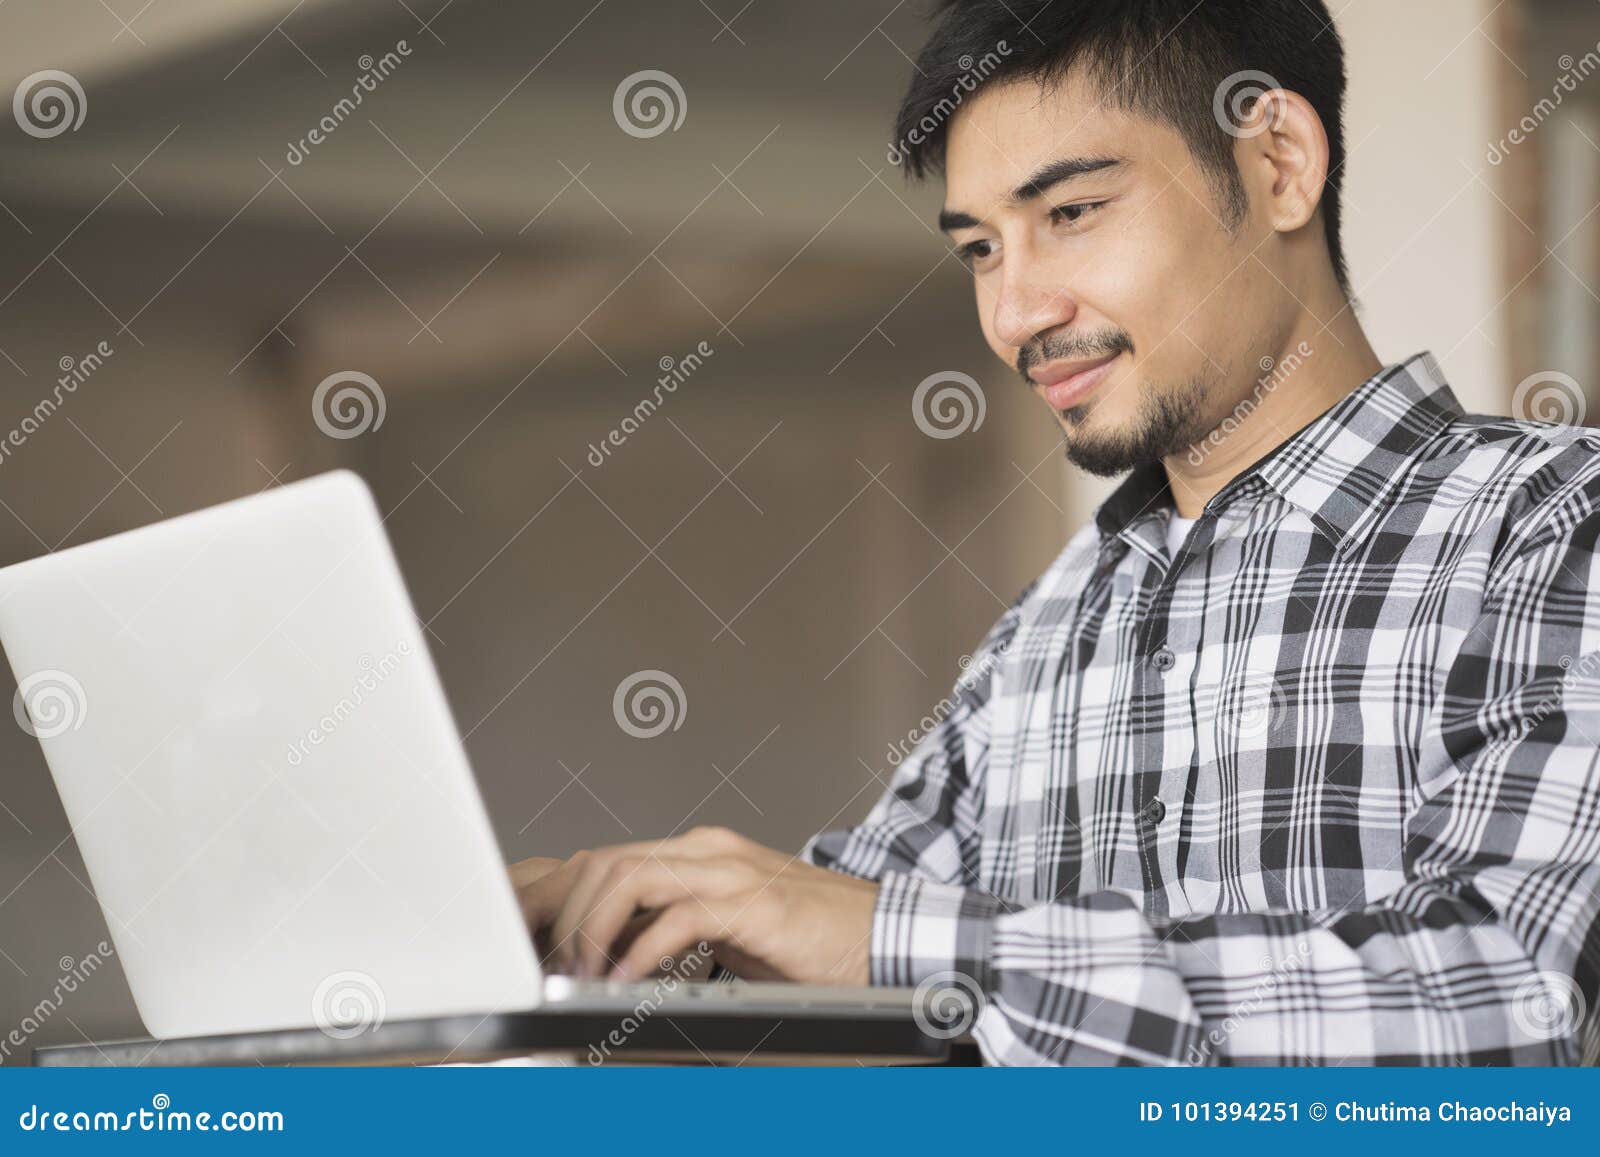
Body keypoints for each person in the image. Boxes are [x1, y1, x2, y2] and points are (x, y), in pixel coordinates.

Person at [514, 0, 1600, 1065]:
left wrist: (890, 940)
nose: (1014, 313)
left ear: (1277, 162)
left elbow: (1508, 999)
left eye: (1070, 213)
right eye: (980, 249)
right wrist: (601, 927)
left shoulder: (1554, 525)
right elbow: (839, 950)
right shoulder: (1045, 628)